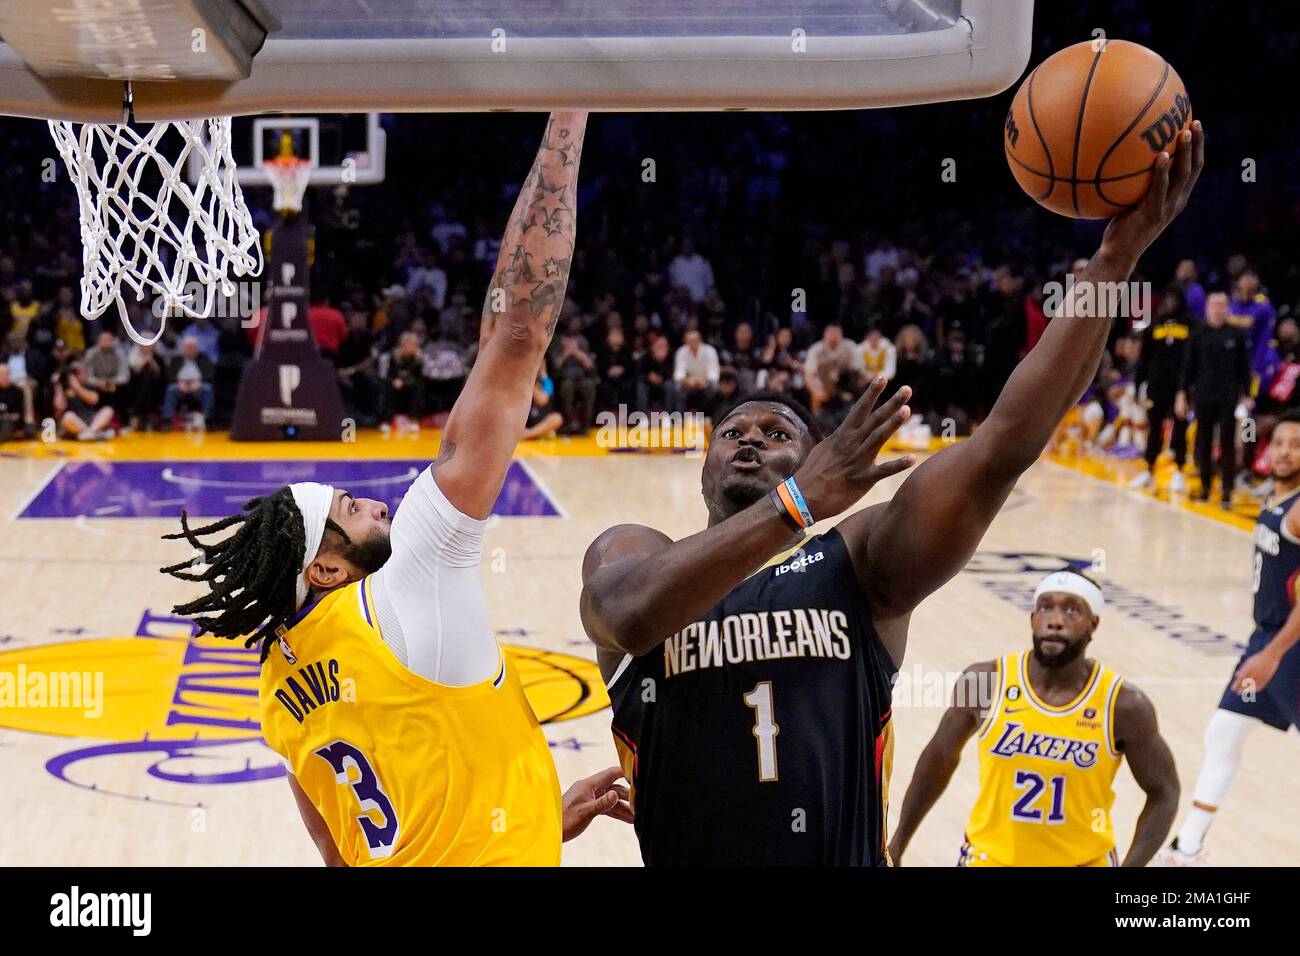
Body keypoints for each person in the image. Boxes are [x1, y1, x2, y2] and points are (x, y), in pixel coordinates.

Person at [579, 123, 1203, 865]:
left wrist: (1113, 261)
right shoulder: (636, 552)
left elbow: (1003, 445)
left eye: (779, 432)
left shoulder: (861, 562)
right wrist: (797, 503)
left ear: (819, 460)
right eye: (732, 431)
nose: (749, 435)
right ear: (704, 469)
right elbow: (626, 613)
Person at [160, 112, 628, 867]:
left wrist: (532, 816)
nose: (377, 503)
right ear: (325, 570)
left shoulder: (277, 689)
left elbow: (342, 852)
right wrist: (569, 112)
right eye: (351, 512)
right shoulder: (406, 575)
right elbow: (515, 339)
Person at [888, 570, 1178, 867]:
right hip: (990, 859)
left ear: (1093, 625)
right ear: (1032, 619)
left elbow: (1165, 792)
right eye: (1045, 607)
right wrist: (898, 844)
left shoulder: (1124, 705)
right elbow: (939, 759)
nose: (1055, 619)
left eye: (1071, 609)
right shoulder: (986, 682)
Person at [1158, 409, 1300, 865]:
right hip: (1268, 639)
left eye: (1296, 445)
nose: (1284, 452)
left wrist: (1274, 654)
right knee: (1225, 730)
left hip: (1288, 646)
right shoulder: (1276, 497)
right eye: (1279, 443)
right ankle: (1189, 847)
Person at [1178, 291, 1251, 508]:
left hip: (1228, 398)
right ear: (1207, 307)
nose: (1218, 308)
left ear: (1227, 307)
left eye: (1222, 304)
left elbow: (1244, 369)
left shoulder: (1236, 334)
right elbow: (1188, 367)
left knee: (1228, 445)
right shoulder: (1198, 334)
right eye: (1214, 304)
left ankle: (1227, 491)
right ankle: (1205, 487)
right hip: (1203, 397)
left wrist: (1247, 395)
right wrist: (1182, 394)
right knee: (1203, 443)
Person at [1129, 286, 1193, 493]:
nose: (1171, 302)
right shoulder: (1153, 325)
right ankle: (1148, 470)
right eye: (1168, 298)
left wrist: (1189, 388)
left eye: (1175, 298)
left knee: (1180, 430)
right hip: (1157, 386)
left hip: (1180, 389)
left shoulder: (1190, 325)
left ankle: (1178, 472)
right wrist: (1139, 385)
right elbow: (1143, 360)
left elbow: (1192, 360)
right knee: (1154, 429)